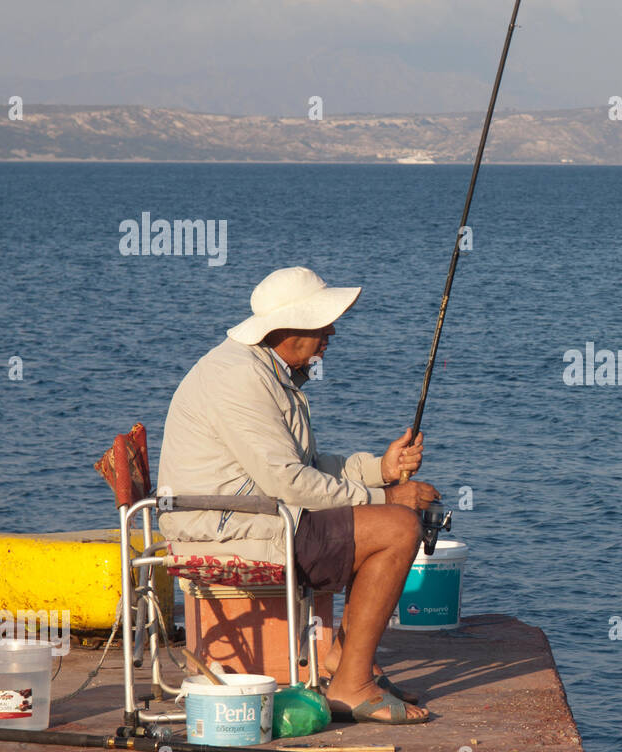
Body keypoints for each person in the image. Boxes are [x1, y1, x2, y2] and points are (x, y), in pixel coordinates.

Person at [157, 266, 439, 724]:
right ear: (285, 330)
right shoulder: (240, 379)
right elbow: (289, 482)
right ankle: (351, 683)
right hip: (231, 525)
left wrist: (381, 471)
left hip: (256, 512)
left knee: (392, 518)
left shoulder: (265, 370)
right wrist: (386, 499)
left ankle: (344, 663)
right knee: (400, 527)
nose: (330, 333)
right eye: (320, 325)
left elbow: (303, 467)